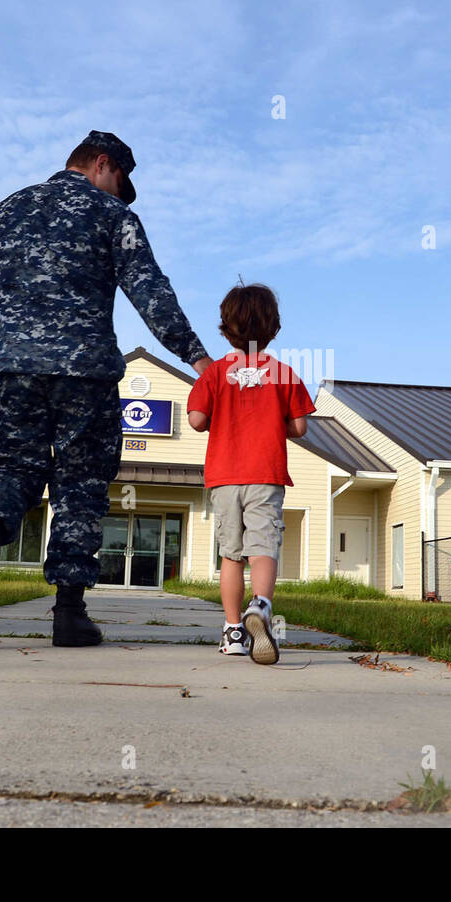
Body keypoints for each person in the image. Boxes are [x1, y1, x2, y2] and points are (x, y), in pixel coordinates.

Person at [0, 130, 211, 646]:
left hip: (14, 369)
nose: (120, 194)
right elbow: (150, 291)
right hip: (86, 373)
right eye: (120, 182)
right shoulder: (114, 217)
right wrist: (196, 356)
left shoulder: (9, 209)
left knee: (10, 468)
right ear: (101, 163)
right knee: (81, 482)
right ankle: (69, 614)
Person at [186, 283, 315, 664]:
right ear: (274, 328)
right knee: (263, 548)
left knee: (231, 554)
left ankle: (232, 633)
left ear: (225, 329)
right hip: (265, 474)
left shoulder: (214, 374)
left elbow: (195, 420)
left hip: (225, 477)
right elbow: (300, 428)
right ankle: (260, 606)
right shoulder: (282, 373)